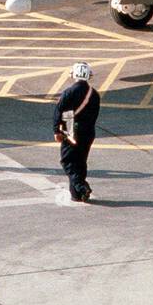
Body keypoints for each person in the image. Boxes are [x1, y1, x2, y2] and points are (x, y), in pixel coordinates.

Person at [54, 62, 101, 202]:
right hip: (89, 132)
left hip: (71, 131)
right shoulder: (94, 94)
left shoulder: (68, 92)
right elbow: (94, 115)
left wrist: (57, 130)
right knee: (81, 161)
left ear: (73, 75)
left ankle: (81, 187)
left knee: (67, 161)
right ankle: (77, 195)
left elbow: (59, 112)